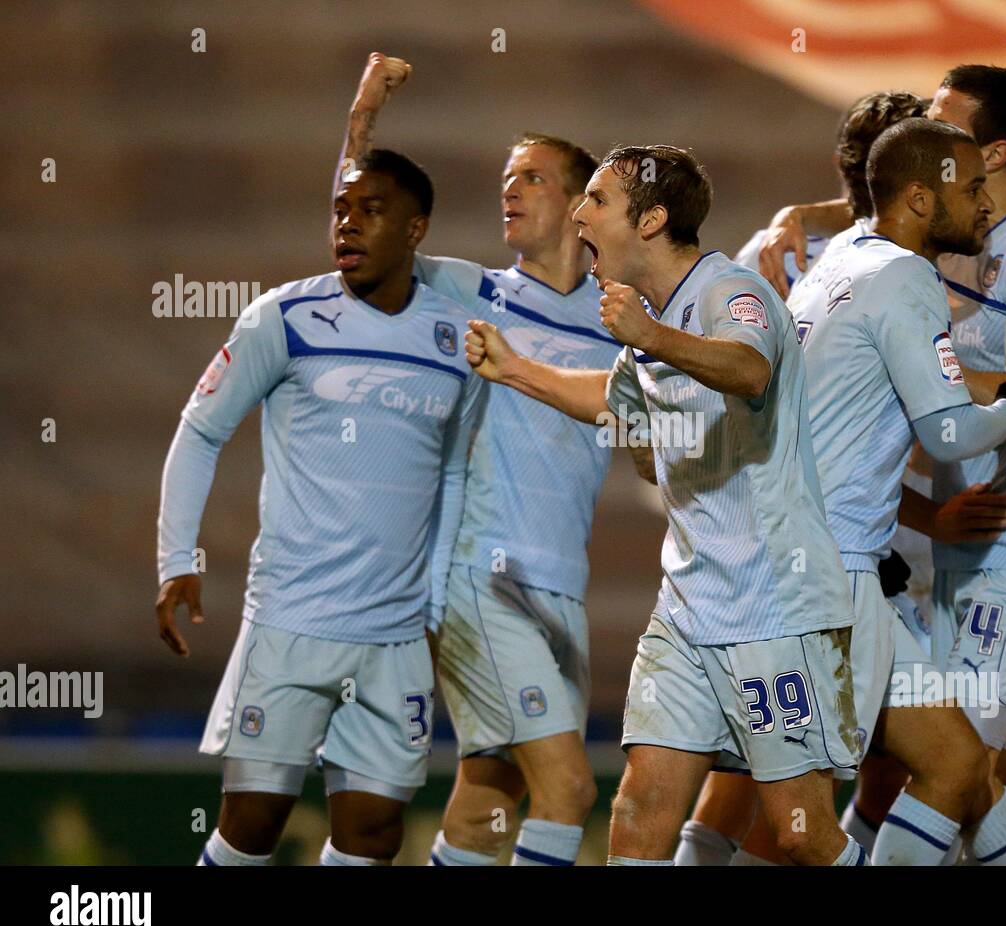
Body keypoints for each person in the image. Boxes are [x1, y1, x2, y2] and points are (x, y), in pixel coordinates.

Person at [466, 144, 866, 865]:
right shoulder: (648, 324)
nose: (579, 216)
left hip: (774, 611)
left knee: (800, 833)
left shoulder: (729, 291)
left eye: (596, 201)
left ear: (650, 220)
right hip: (688, 609)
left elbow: (748, 368)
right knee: (641, 804)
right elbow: (613, 398)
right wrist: (515, 369)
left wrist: (648, 336)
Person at [755, 65, 1006, 852]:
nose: (919, 130)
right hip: (936, 551)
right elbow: (961, 390)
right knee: (956, 777)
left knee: (954, 768)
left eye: (944, 121)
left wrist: (1005, 403)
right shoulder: (934, 240)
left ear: (997, 151)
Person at [337, 53, 631, 867]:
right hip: (480, 575)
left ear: (579, 205)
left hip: (558, 583)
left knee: (485, 801)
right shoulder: (471, 292)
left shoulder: (619, 324)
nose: (509, 188)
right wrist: (361, 125)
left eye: (531, 177)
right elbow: (361, 245)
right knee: (568, 789)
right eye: (507, 176)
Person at [156, 149, 484, 865]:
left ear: (416, 228)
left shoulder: (456, 339)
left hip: (395, 637)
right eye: (341, 208)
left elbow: (453, 475)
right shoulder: (285, 318)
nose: (349, 224)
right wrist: (176, 561)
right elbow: (200, 429)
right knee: (252, 824)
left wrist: (434, 604)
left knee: (372, 834)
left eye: (371, 209)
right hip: (291, 622)